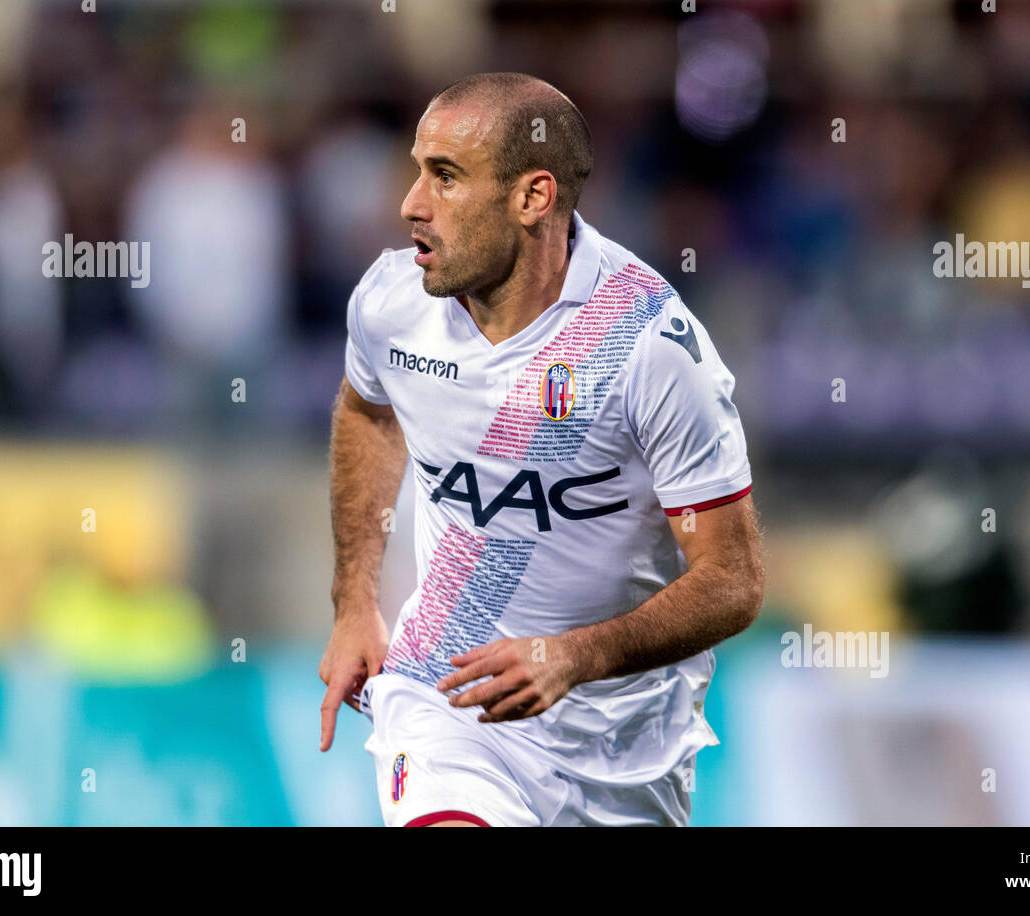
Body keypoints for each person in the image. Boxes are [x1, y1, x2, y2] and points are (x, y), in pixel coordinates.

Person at [318, 72, 764, 827]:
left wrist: (575, 657)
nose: (411, 204)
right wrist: (354, 601)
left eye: (446, 177)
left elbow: (733, 579)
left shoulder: (649, 346)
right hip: (448, 704)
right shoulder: (392, 304)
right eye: (417, 170)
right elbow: (367, 411)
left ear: (533, 198)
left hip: (625, 747)